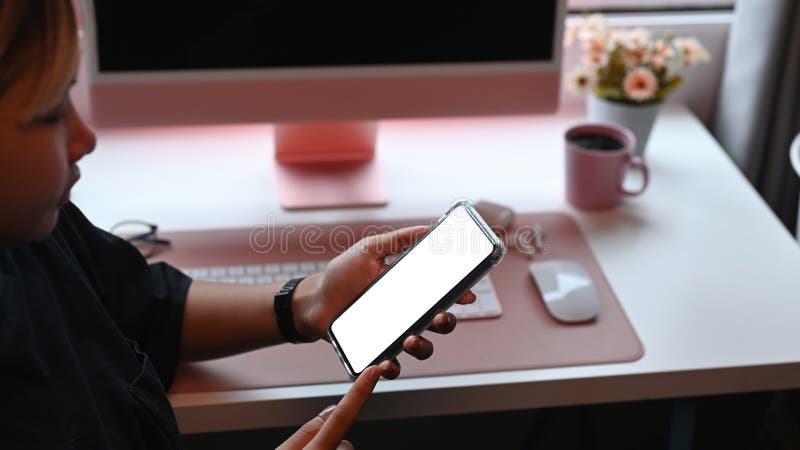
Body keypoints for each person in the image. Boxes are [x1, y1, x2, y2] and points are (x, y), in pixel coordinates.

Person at [0, 2, 475, 449]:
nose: (86, 138)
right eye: (51, 110)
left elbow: (143, 306)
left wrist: (310, 300)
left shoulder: (34, 233)